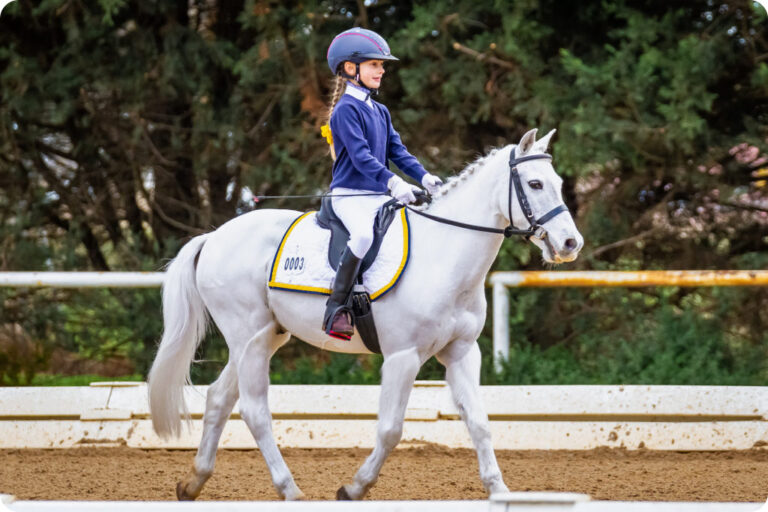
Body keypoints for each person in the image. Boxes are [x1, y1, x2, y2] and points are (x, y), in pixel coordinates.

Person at [321, 27, 443, 340]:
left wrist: (425, 177)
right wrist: (393, 183)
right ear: (351, 68)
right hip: (350, 195)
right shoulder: (345, 110)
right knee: (362, 236)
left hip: (377, 194)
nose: (382, 69)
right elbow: (362, 158)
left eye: (382, 65)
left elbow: (397, 152)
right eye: (375, 64)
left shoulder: (380, 110)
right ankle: (337, 308)